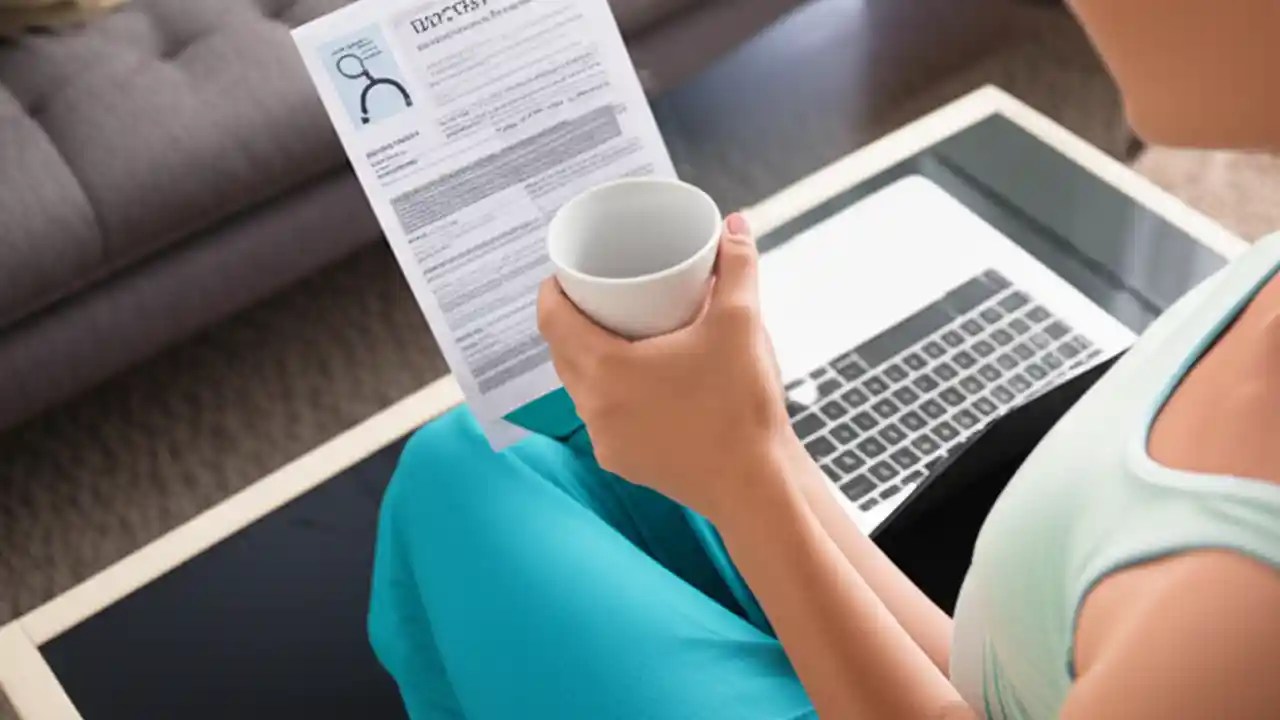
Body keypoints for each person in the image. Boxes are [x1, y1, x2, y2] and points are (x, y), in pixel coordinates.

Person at [366, 1, 1280, 717]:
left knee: (457, 488)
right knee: (492, 447)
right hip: (979, 666)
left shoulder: (1241, 621)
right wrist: (757, 451)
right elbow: (999, 677)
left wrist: (746, 475)